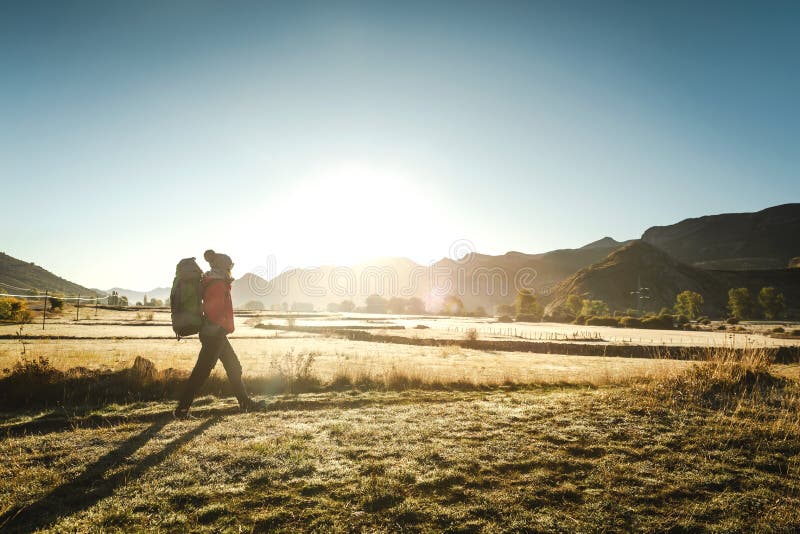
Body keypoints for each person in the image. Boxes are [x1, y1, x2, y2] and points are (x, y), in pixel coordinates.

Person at [174, 249, 266, 418]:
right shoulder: (217, 283)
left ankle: (245, 403)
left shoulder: (215, 280)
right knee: (201, 373)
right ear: (224, 267)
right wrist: (221, 325)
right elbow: (213, 308)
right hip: (214, 334)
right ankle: (182, 409)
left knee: (234, 367)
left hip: (215, 333)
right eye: (230, 267)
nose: (231, 270)